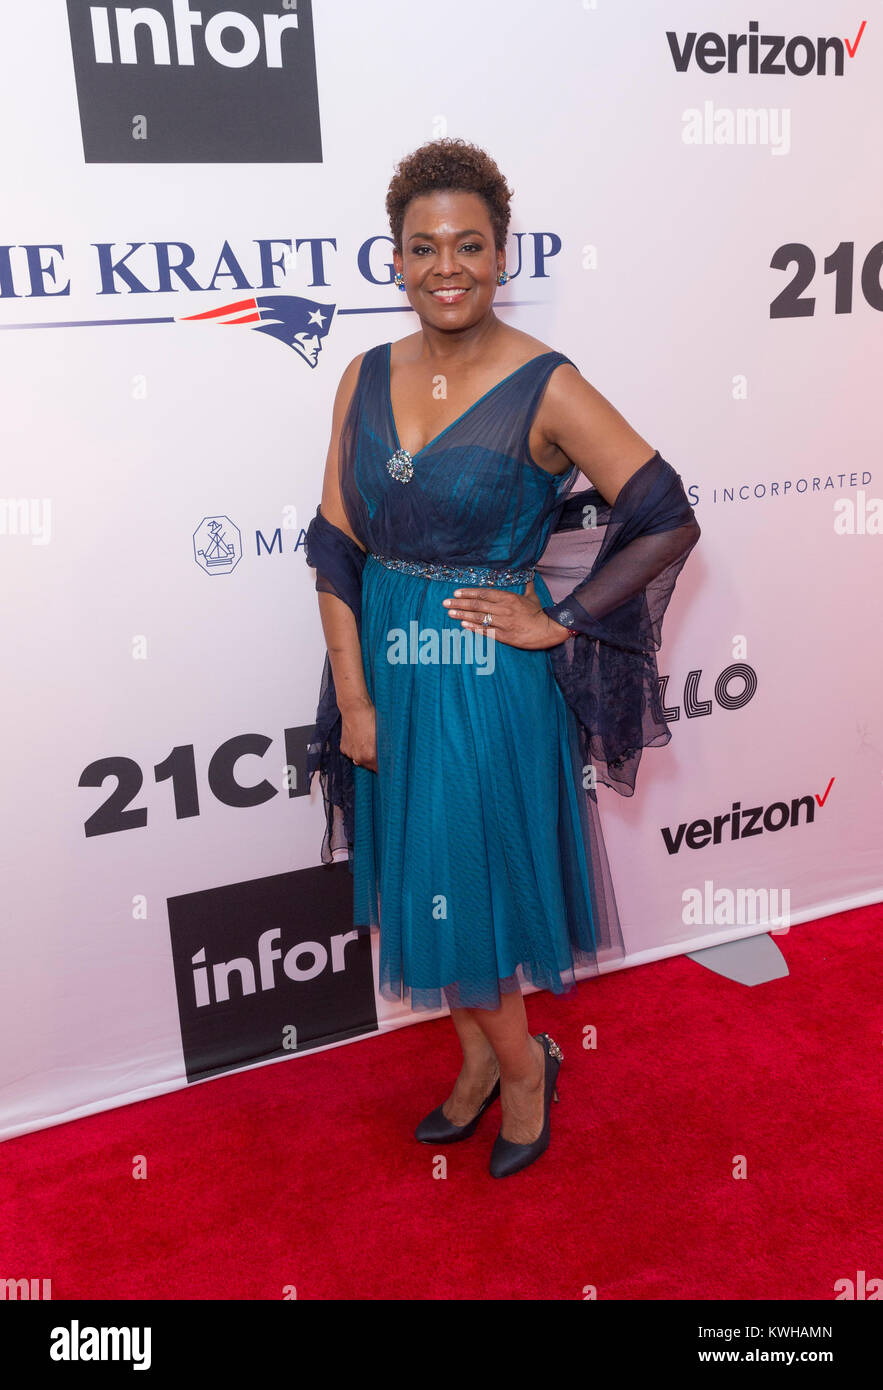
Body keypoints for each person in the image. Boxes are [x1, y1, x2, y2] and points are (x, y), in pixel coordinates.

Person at [305, 137, 700, 1178]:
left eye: (469, 245)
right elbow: (334, 538)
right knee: (421, 878)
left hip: (484, 683)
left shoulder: (547, 385)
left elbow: (663, 516)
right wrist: (352, 691)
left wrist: (559, 619)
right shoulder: (361, 374)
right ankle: (480, 1059)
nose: (447, 265)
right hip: (385, 662)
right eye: (423, 245)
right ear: (392, 259)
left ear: (501, 255)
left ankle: (525, 1067)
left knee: (462, 881)